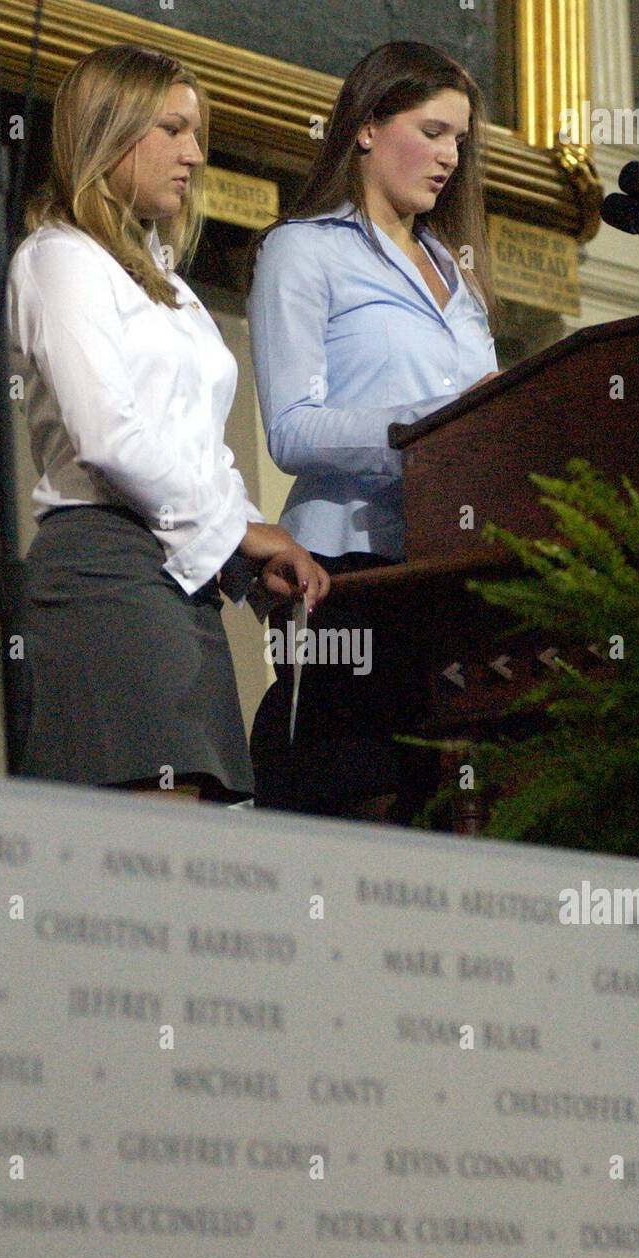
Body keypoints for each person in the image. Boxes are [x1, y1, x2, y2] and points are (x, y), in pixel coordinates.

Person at [8, 44, 329, 804]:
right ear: (108, 132)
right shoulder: (60, 259)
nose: (194, 154)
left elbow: (198, 451)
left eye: (197, 134)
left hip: (178, 583)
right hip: (105, 570)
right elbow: (109, 436)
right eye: (173, 129)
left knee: (191, 836)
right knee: (152, 839)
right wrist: (245, 534)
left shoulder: (171, 291)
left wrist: (247, 554)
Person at [246, 41, 499, 820]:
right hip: (349, 572)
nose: (450, 156)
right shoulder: (302, 251)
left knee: (448, 810)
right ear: (363, 126)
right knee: (361, 798)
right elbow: (290, 430)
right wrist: (430, 432)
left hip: (450, 566)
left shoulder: (456, 275)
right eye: (431, 131)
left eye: (459, 139)